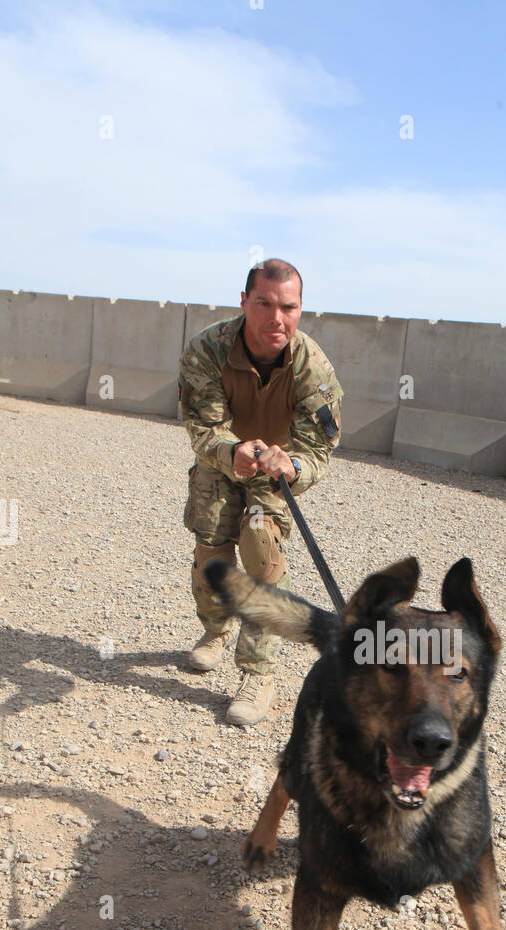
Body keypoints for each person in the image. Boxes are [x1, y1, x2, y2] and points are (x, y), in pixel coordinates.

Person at [178, 258, 343, 725]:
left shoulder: (313, 367)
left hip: (274, 472)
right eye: (265, 304)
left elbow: (319, 449)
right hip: (222, 459)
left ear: (300, 308)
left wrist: (292, 465)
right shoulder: (207, 350)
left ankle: (259, 673)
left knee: (261, 547)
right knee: (212, 555)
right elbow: (203, 427)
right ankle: (216, 626)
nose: (277, 319)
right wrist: (231, 451)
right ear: (244, 302)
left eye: (289, 307)